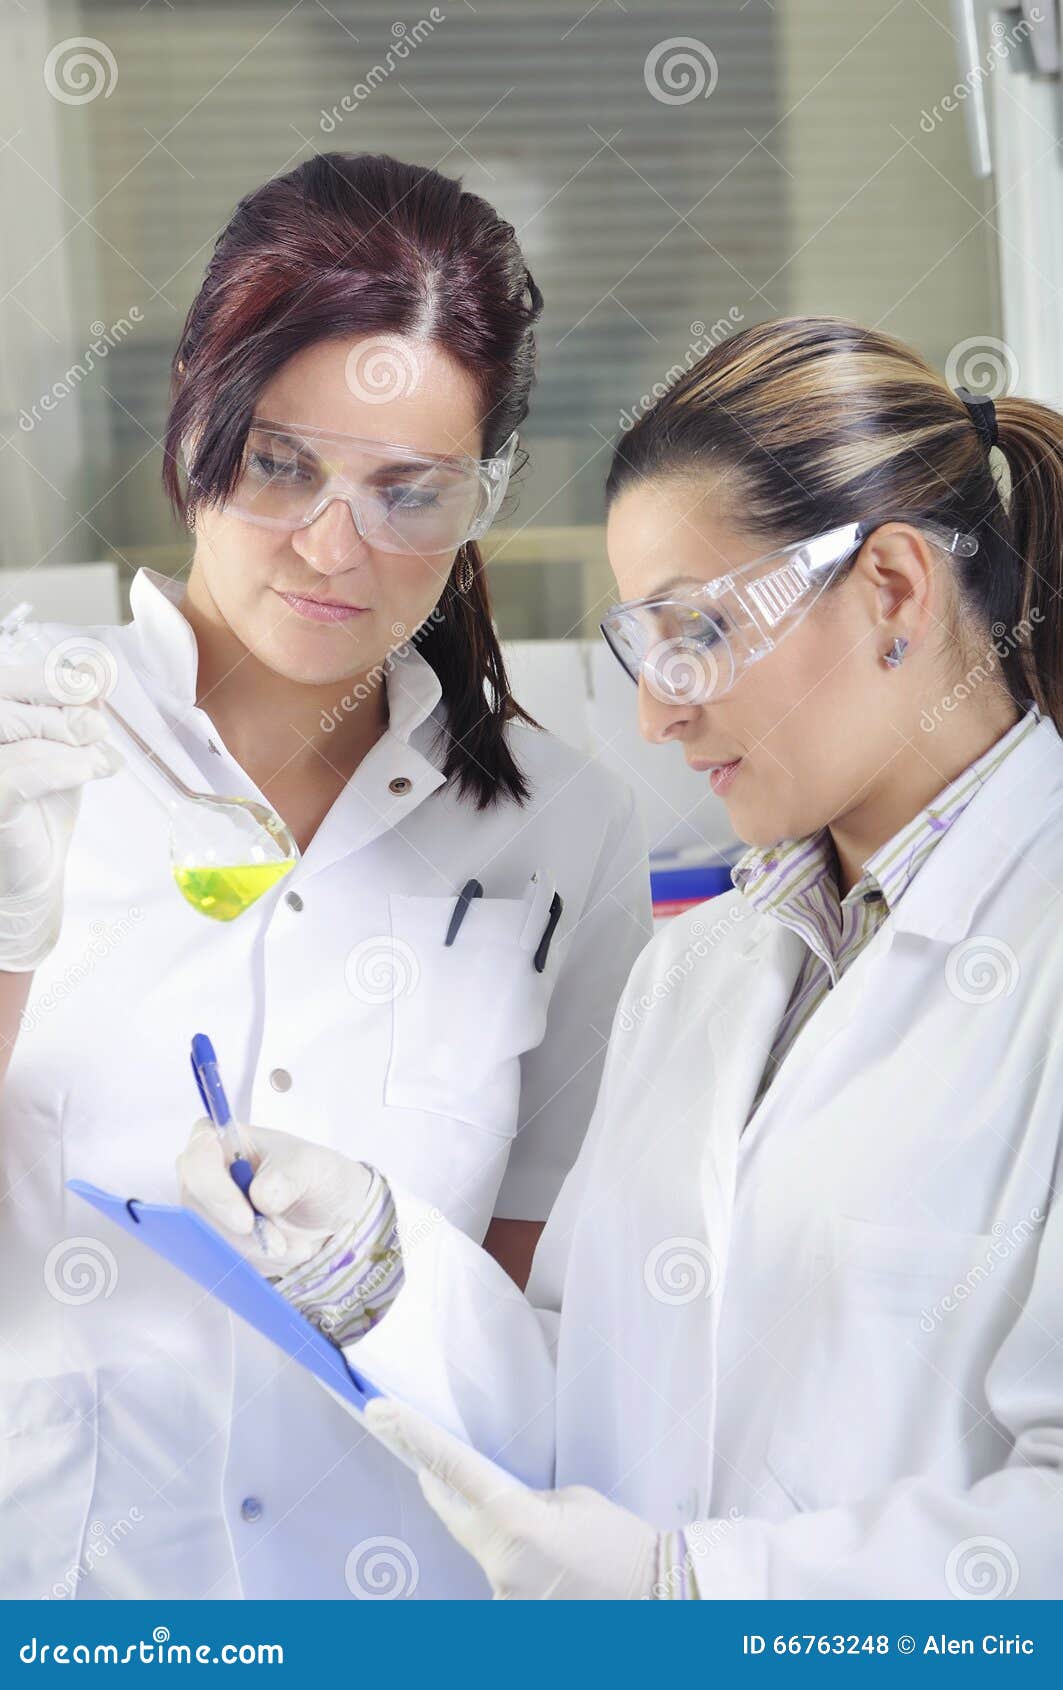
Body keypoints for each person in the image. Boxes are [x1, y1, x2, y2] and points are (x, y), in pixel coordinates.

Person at [182, 315, 1063, 1599]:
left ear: (892, 590)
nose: (655, 709)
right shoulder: (701, 969)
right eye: (638, 647)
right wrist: (375, 1262)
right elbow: (586, 1385)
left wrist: (697, 1592)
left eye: (695, 632)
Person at [0, 152, 649, 1601]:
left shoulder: (559, 834)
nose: (332, 546)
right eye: (282, 463)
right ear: (195, 423)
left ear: (483, 496)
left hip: (401, 1609)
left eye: (409, 492)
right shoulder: (24, 760)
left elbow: (545, 1330)